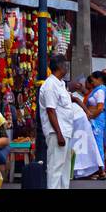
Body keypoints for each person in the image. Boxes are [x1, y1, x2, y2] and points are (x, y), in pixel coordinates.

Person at [38, 54, 72, 190]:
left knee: (64, 168)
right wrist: (59, 134)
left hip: (65, 131)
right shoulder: (50, 85)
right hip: (57, 132)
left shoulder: (61, 84)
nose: (67, 67)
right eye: (65, 64)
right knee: (55, 168)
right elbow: (50, 111)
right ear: (59, 66)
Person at [67, 81, 104, 180]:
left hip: (77, 120)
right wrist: (87, 112)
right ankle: (95, 170)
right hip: (78, 119)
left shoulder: (69, 94)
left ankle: (82, 171)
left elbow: (78, 100)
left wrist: (87, 112)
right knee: (87, 146)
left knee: (81, 147)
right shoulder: (68, 93)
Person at [83, 71, 106, 179]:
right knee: (93, 143)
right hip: (94, 118)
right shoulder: (96, 90)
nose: (92, 81)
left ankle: (101, 170)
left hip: (97, 120)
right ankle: (97, 169)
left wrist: (90, 116)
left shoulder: (100, 91)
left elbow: (100, 108)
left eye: (93, 79)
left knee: (98, 144)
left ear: (99, 79)